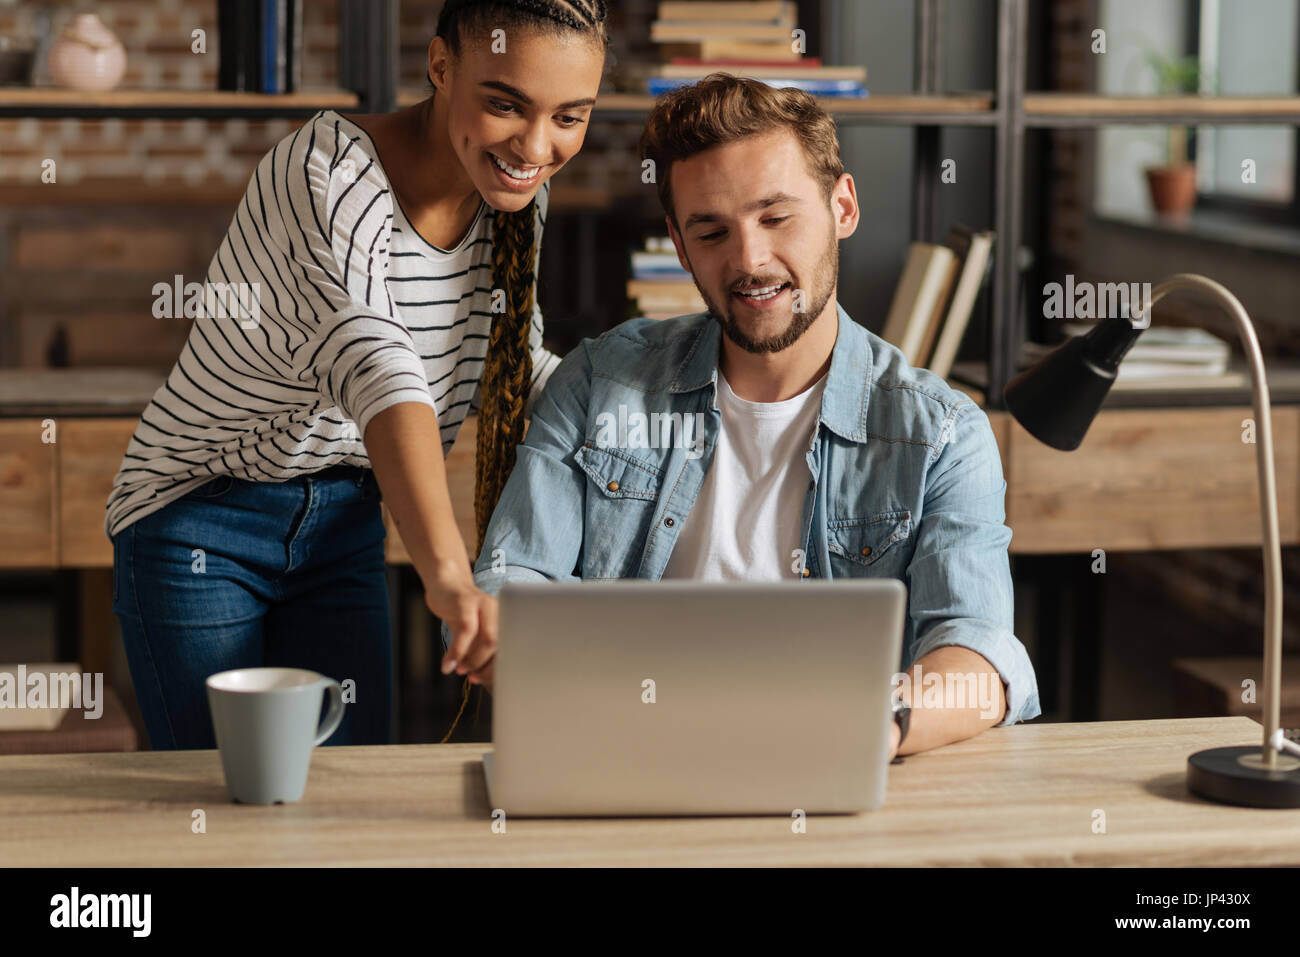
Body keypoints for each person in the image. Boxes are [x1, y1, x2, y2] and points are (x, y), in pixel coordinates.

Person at [446, 74, 1042, 760]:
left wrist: (870, 726)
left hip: (840, 778)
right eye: (712, 231)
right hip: (627, 762)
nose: (750, 260)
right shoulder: (597, 386)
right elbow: (510, 582)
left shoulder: (939, 434)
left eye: (776, 216)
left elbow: (978, 661)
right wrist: (502, 637)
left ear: (842, 206)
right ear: (678, 242)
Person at [106, 0, 608, 749]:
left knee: (347, 788)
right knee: (221, 796)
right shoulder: (326, 171)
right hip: (199, 519)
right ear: (441, 66)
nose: (536, 144)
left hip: (343, 524)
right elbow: (377, 363)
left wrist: (645, 406)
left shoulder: (515, 196)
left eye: (570, 116)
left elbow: (517, 359)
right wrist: (448, 577)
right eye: (505, 104)